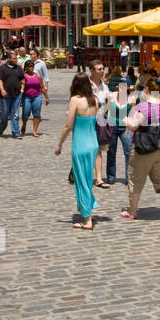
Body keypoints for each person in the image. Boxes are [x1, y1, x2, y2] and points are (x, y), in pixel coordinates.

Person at [122, 75, 160, 223]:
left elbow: (133, 126)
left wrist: (126, 120)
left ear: (146, 89)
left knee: (135, 180)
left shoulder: (143, 106)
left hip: (144, 149)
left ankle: (132, 212)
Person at [55, 73, 101, 229]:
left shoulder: (75, 100)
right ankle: (88, 208)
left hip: (80, 145)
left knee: (81, 180)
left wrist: (59, 144)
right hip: (93, 143)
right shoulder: (94, 100)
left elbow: (68, 126)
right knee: (87, 179)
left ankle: (87, 218)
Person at [105, 73, 132, 184]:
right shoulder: (111, 95)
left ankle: (129, 177)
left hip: (126, 127)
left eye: (125, 85)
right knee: (111, 152)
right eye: (120, 85)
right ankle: (111, 176)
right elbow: (105, 111)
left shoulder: (132, 98)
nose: (122, 88)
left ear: (129, 87)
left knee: (129, 152)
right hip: (112, 126)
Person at [0, 50, 25, 138]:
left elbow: (22, 79)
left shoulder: (18, 68)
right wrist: (2, 90)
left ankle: (16, 131)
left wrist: (22, 89)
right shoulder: (2, 68)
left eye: (16, 58)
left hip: (16, 94)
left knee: (15, 114)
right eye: (13, 58)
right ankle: (2, 128)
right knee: (4, 114)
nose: (15, 60)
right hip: (5, 95)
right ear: (8, 59)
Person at [22, 60, 45, 137]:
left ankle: (34, 131)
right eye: (29, 66)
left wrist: (47, 97)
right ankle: (24, 124)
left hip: (37, 96)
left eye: (32, 66)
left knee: (36, 114)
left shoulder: (38, 76)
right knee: (25, 114)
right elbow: (21, 86)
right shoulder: (23, 76)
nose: (31, 68)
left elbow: (42, 87)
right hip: (27, 97)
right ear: (26, 67)